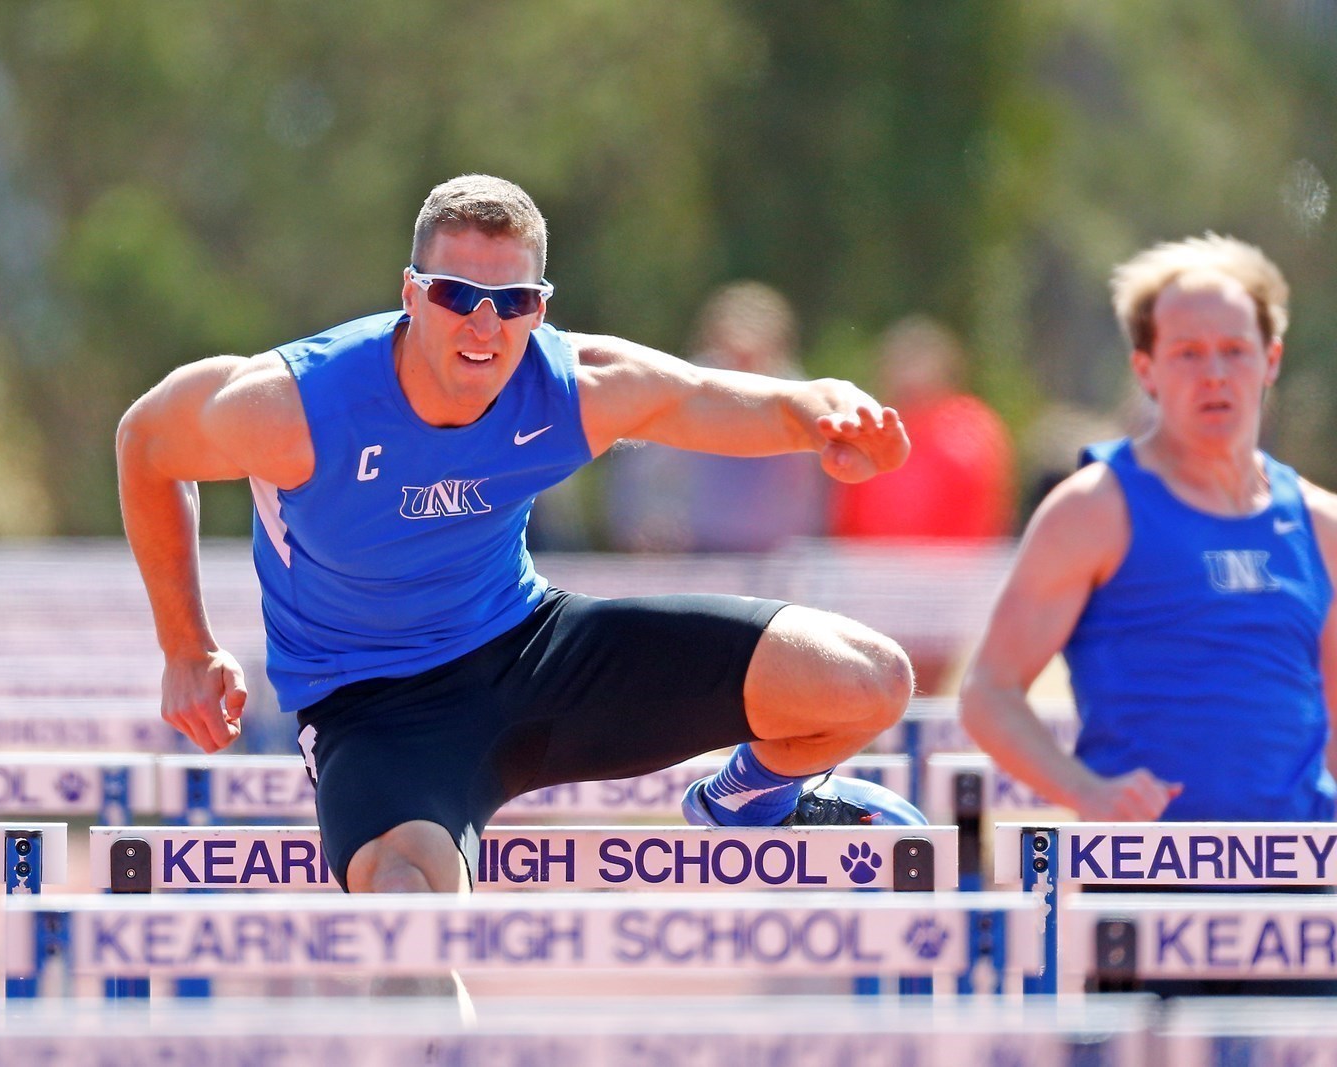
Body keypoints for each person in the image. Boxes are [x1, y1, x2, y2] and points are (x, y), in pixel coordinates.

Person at [117, 174, 923, 897]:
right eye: (456, 294)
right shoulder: (294, 407)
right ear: (410, 294)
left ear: (539, 307)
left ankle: (747, 800)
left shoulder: (573, 386)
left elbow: (727, 399)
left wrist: (836, 414)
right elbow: (145, 444)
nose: (484, 324)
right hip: (373, 701)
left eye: (511, 302)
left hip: (531, 651)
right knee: (405, 903)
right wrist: (185, 647)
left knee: (869, 679)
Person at [959, 235, 1337, 993]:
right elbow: (988, 692)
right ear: (1146, 370)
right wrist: (1086, 792)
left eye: (1234, 350)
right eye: (1188, 352)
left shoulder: (1321, 524)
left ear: (1270, 360)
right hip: (1149, 881)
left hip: (1301, 882)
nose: (1215, 373)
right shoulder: (1094, 509)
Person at [604, 281, 834, 553]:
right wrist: (640, 523)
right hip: (698, 547)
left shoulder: (801, 397)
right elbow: (646, 466)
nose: (743, 361)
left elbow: (815, 484)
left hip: (778, 551)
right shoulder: (684, 389)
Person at [830, 316, 1014, 541]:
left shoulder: (973, 425)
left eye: (917, 361)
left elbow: (991, 504)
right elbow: (848, 508)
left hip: (955, 558)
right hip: (872, 558)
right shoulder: (867, 425)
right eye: (901, 362)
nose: (909, 374)